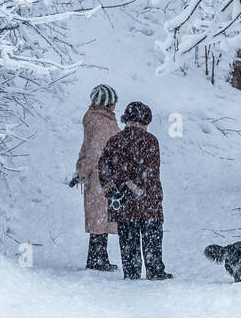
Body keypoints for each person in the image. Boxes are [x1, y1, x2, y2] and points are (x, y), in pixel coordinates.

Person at [98, 101, 171, 280]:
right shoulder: (150, 141)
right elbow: (149, 171)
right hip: (148, 201)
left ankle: (131, 273)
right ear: (145, 120)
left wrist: (112, 188)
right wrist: (134, 188)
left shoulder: (114, 140)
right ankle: (154, 271)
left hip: (122, 202)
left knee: (128, 239)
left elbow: (103, 167)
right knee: (151, 238)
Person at [72, 84, 120, 272]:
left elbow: (88, 149)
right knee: (100, 219)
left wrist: (81, 170)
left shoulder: (98, 119)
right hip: (102, 177)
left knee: (100, 218)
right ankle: (97, 259)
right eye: (113, 102)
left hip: (102, 175)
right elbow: (95, 152)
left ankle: (99, 257)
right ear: (107, 104)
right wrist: (83, 171)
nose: (116, 106)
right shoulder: (101, 122)